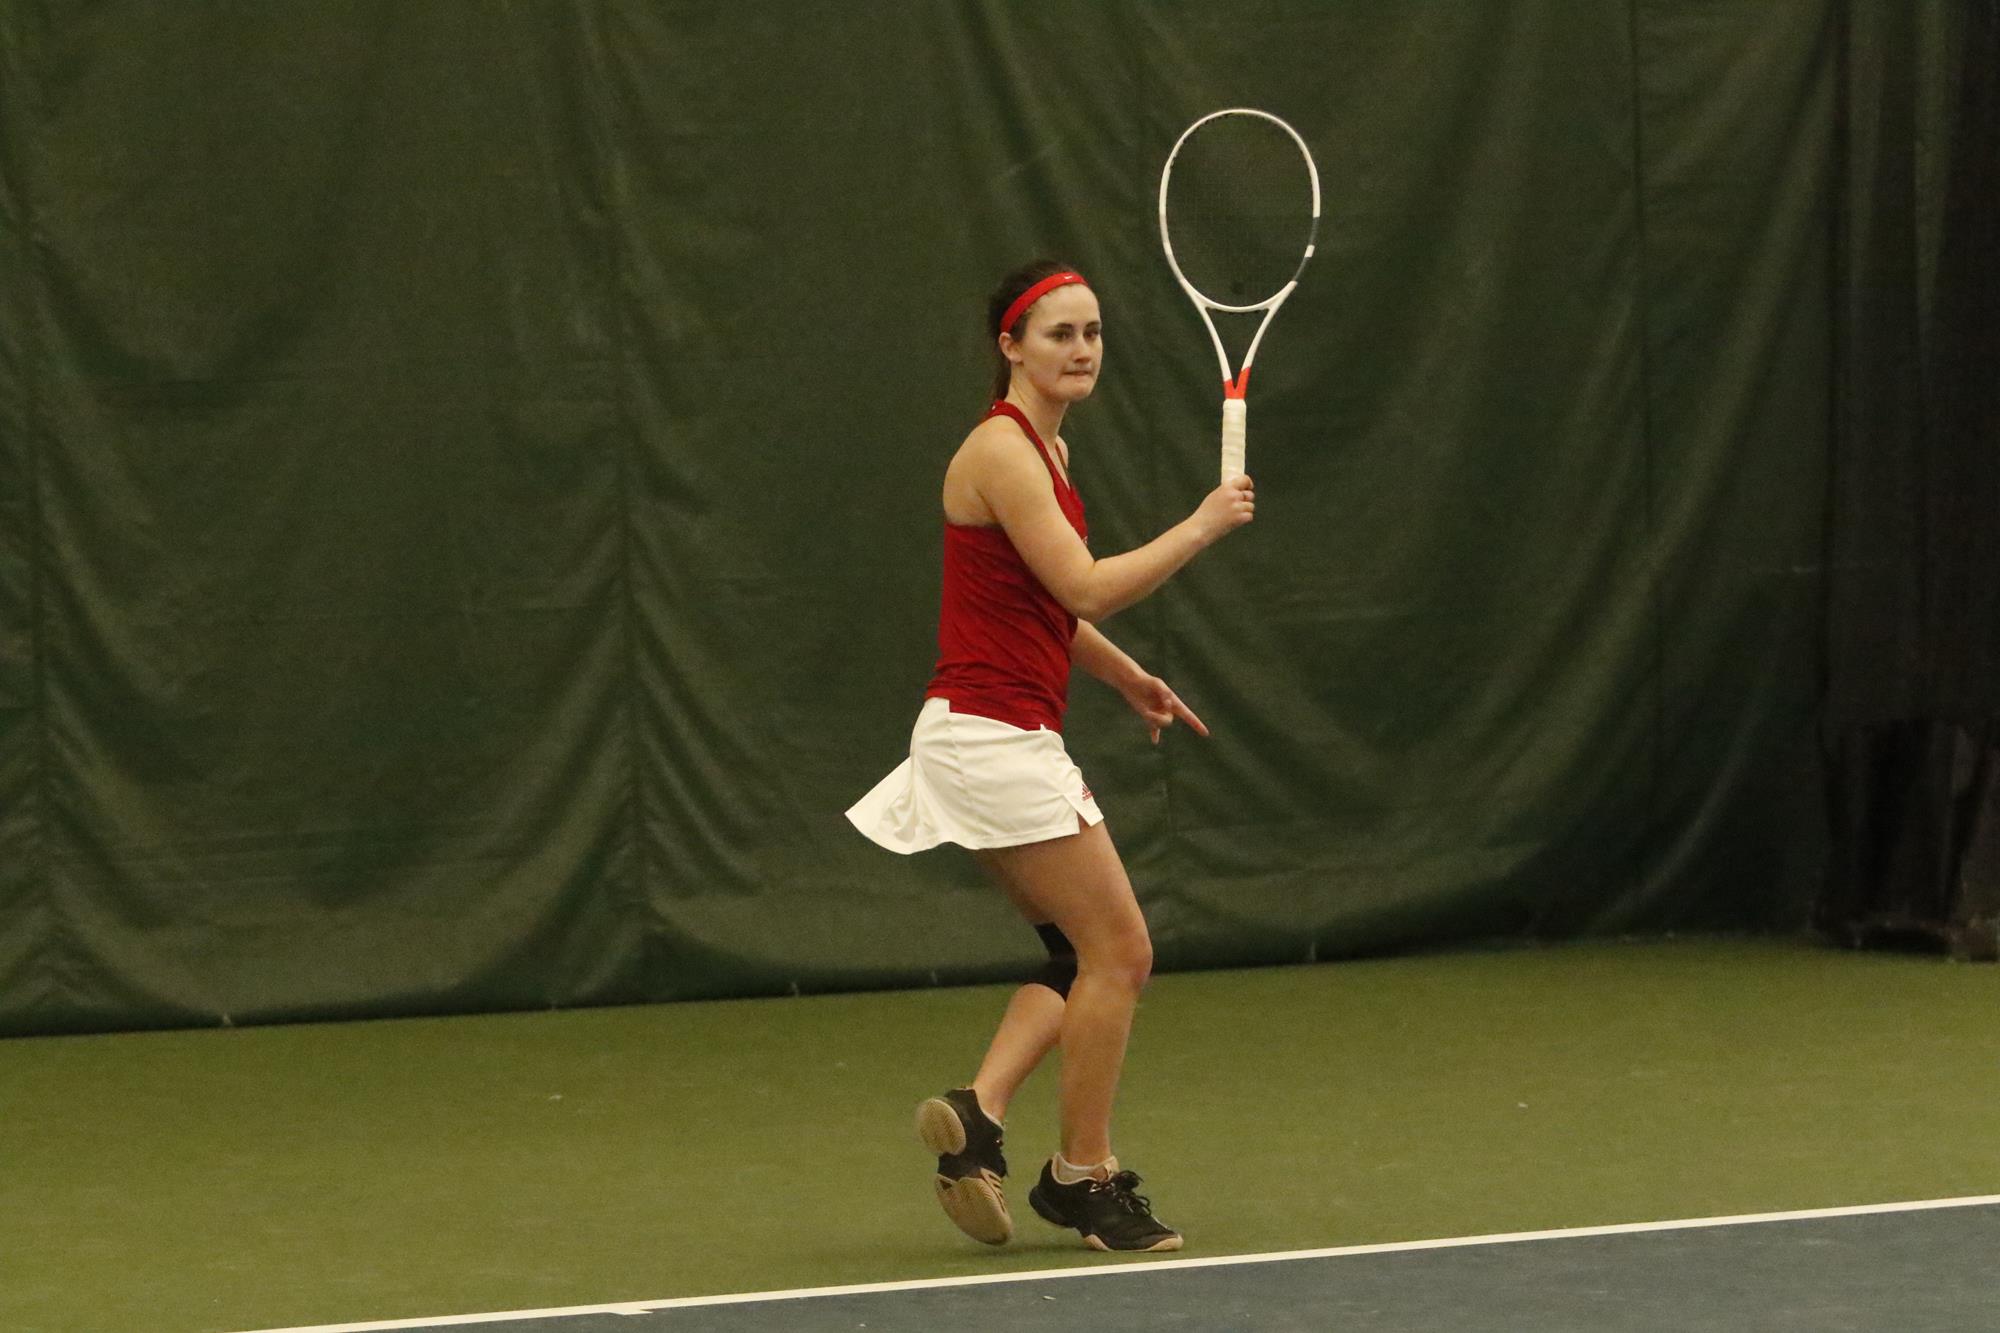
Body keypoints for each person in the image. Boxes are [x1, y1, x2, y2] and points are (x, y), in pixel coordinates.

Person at [845, 259, 1255, 1253]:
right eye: (1058, 334)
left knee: (1074, 956)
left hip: (983, 734)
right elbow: (1084, 581)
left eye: (1091, 334)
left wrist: (1123, 679)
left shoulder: (1045, 455)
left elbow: (1045, 606)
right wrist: (1200, 523)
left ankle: (977, 1112)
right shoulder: (1001, 449)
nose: (1079, 351)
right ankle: (1082, 1176)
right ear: (1010, 346)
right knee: (1123, 953)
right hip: (990, 739)